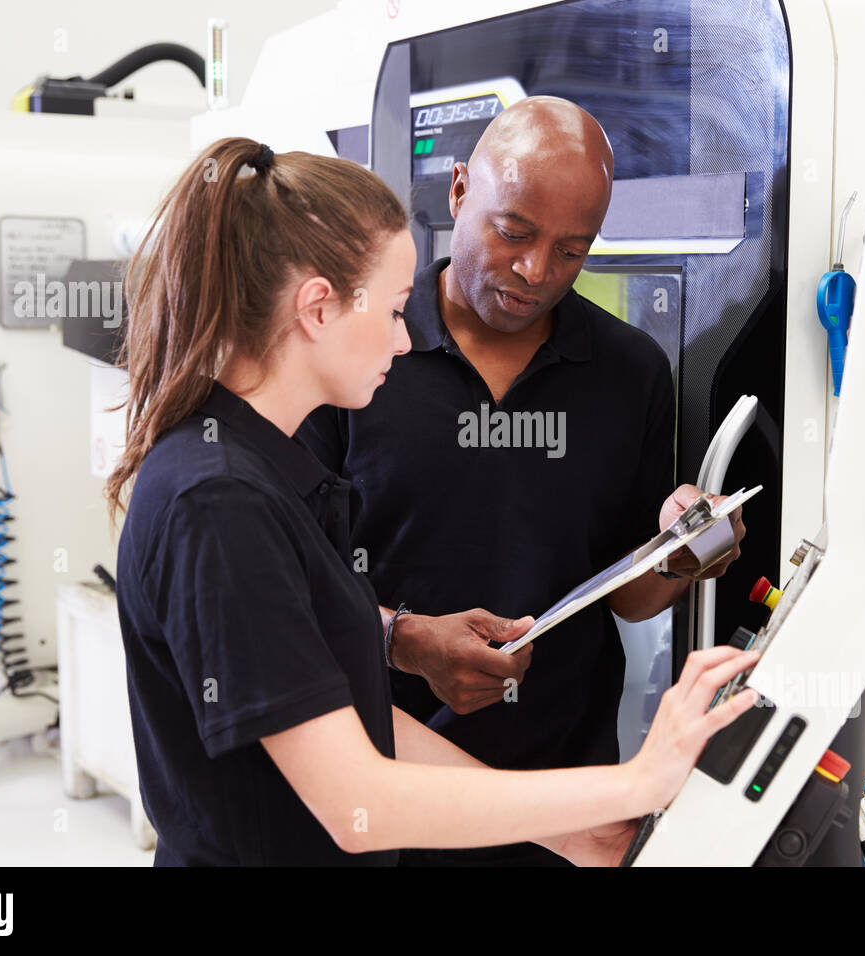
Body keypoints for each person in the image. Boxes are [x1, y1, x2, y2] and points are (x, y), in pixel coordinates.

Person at [107, 137, 759, 866]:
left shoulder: (261, 472)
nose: (401, 340)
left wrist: (583, 835)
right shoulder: (218, 501)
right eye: (393, 312)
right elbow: (359, 804)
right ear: (318, 309)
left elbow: (356, 719)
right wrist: (637, 780)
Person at [298, 97, 747, 866]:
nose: (536, 271)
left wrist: (685, 551)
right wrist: (406, 640)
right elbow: (291, 590)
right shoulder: (360, 355)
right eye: (513, 232)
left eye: (572, 250)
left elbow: (628, 595)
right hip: (385, 795)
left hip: (565, 802)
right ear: (459, 191)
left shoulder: (629, 372)